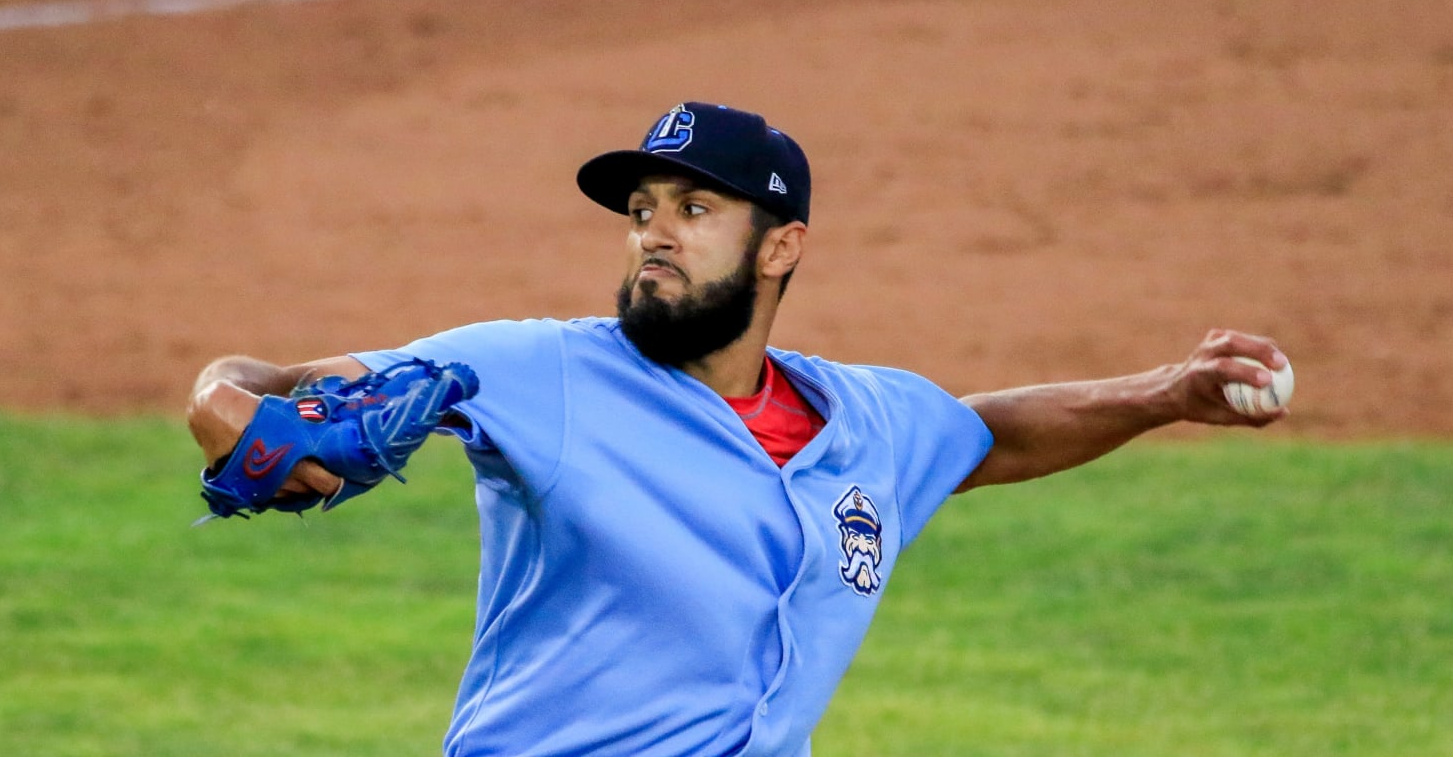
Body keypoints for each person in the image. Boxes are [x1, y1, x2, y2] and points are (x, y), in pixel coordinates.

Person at [187, 102, 1289, 756]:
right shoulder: (543, 370)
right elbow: (269, 389)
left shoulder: (864, 420)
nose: (653, 236)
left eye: (694, 210)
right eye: (641, 212)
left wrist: (1162, 395)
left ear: (781, 247)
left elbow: (984, 435)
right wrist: (224, 404)